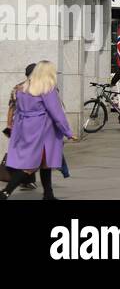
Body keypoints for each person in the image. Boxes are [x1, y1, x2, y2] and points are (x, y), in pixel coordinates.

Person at [0, 61, 73, 201]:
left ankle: (48, 195)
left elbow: (15, 110)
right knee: (30, 166)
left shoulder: (21, 88)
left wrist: (12, 128)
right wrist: (68, 132)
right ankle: (5, 192)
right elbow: (56, 113)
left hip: (26, 130)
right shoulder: (47, 88)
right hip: (44, 133)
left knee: (45, 164)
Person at [3, 64, 39, 192]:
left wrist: (9, 124)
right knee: (33, 155)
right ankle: (20, 183)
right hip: (33, 128)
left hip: (19, 126)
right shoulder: (42, 89)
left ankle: (28, 181)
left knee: (24, 154)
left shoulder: (17, 88)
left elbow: (11, 108)